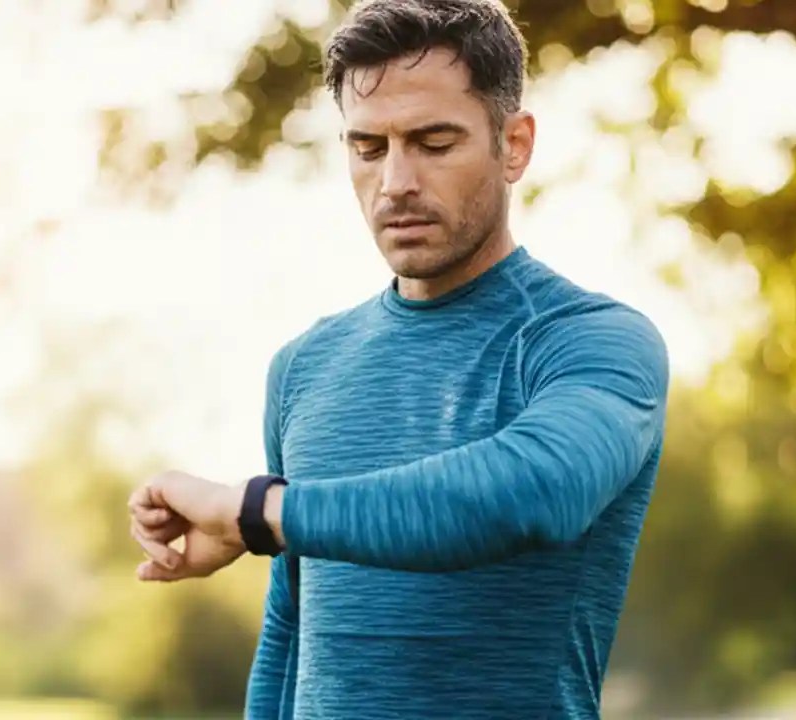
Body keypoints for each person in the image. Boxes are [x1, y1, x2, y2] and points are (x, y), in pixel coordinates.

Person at [126, 0, 670, 717]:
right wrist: (258, 517)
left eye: (434, 142)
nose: (395, 183)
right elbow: (292, 634)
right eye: (369, 148)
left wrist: (250, 511)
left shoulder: (593, 342)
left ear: (515, 144)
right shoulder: (305, 366)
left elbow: (534, 493)